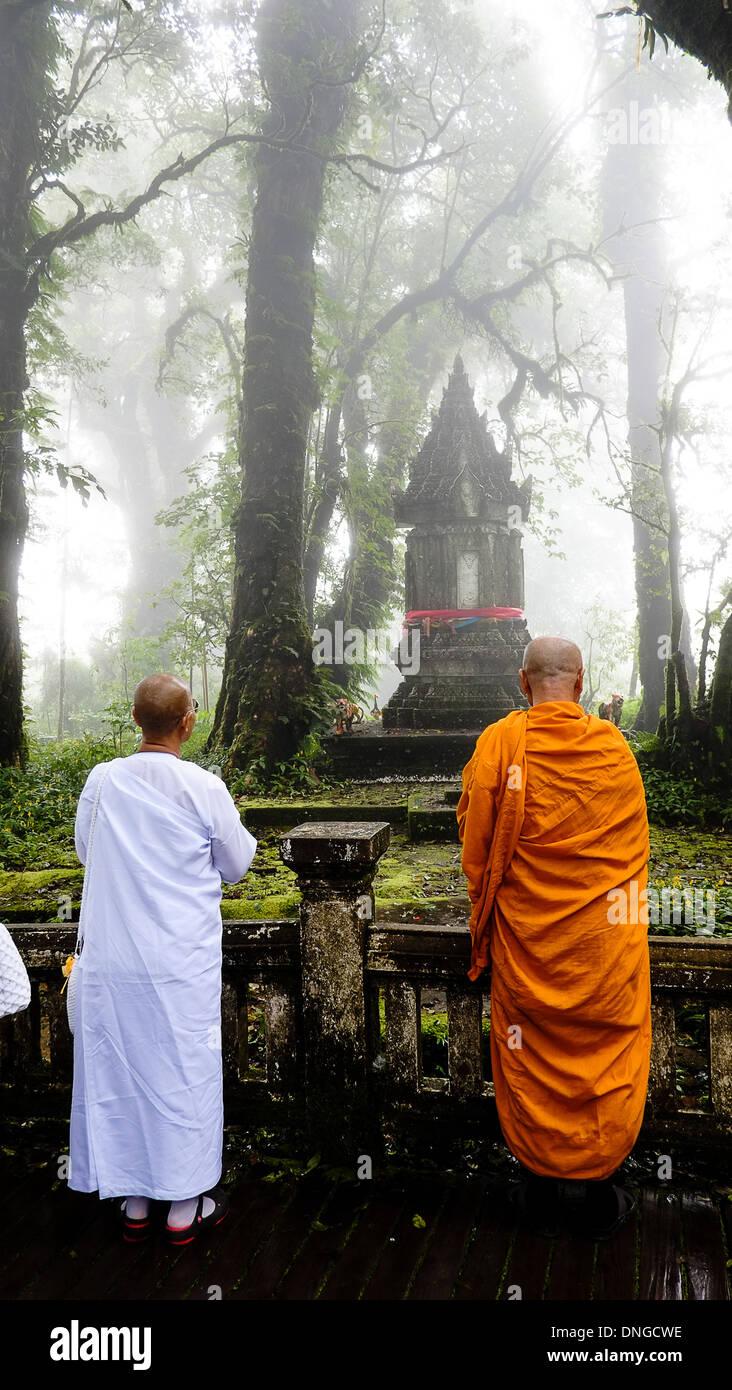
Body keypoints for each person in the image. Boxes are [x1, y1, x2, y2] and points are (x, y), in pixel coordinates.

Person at [457, 636, 651, 1239]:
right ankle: (596, 1185)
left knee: (531, 1053)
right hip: (602, 948)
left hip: (530, 942)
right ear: (582, 681)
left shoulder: (500, 745)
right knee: (603, 1054)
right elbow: (630, 853)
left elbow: (477, 843)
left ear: (523, 682)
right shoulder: (614, 749)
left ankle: (541, 1183)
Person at [68, 673, 257, 1244]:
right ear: (187, 722)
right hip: (178, 962)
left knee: (123, 1068)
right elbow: (238, 863)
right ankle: (184, 1205)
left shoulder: (103, 782)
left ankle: (133, 1202)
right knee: (182, 1074)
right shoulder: (204, 787)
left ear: (134, 720)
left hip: (114, 958)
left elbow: (86, 850)